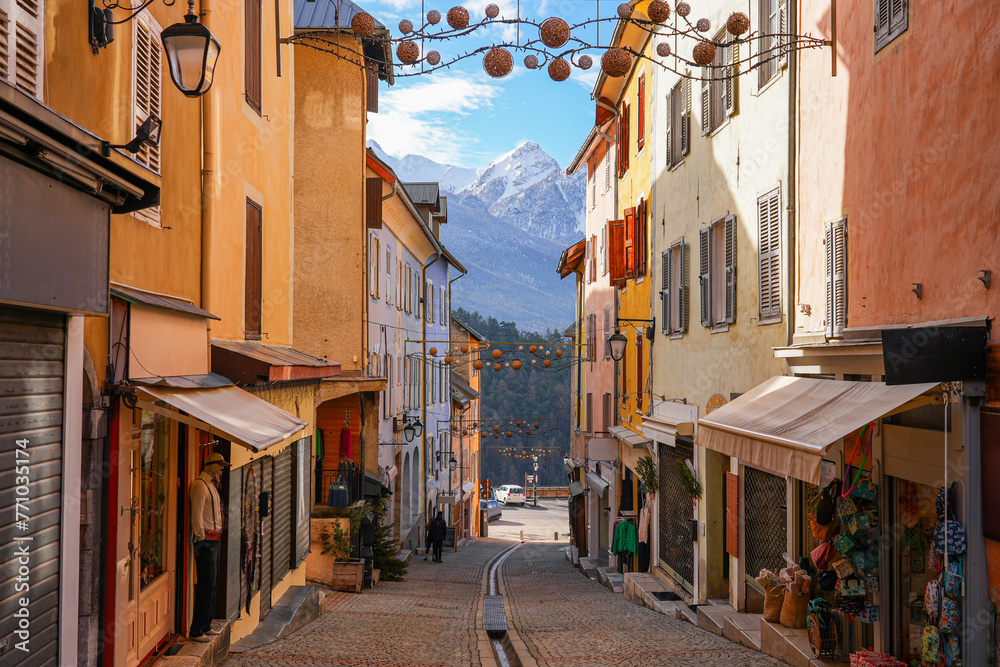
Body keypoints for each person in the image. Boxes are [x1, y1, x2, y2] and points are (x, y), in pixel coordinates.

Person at [189, 451, 230, 642]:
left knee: (212, 584)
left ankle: (206, 624)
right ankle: (196, 629)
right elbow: (196, 515)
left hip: (215, 538)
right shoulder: (200, 485)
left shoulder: (211, 484)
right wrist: (200, 537)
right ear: (210, 465)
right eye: (220, 465)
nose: (222, 469)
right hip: (205, 540)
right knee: (206, 584)